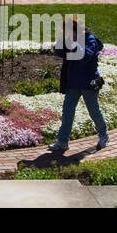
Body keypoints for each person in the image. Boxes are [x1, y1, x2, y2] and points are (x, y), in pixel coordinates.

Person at [48, 15, 109, 153]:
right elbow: (58, 51)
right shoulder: (70, 40)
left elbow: (84, 57)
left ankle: (104, 135)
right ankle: (62, 142)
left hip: (88, 83)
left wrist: (72, 47)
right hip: (73, 83)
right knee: (67, 112)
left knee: (94, 112)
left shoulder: (90, 40)